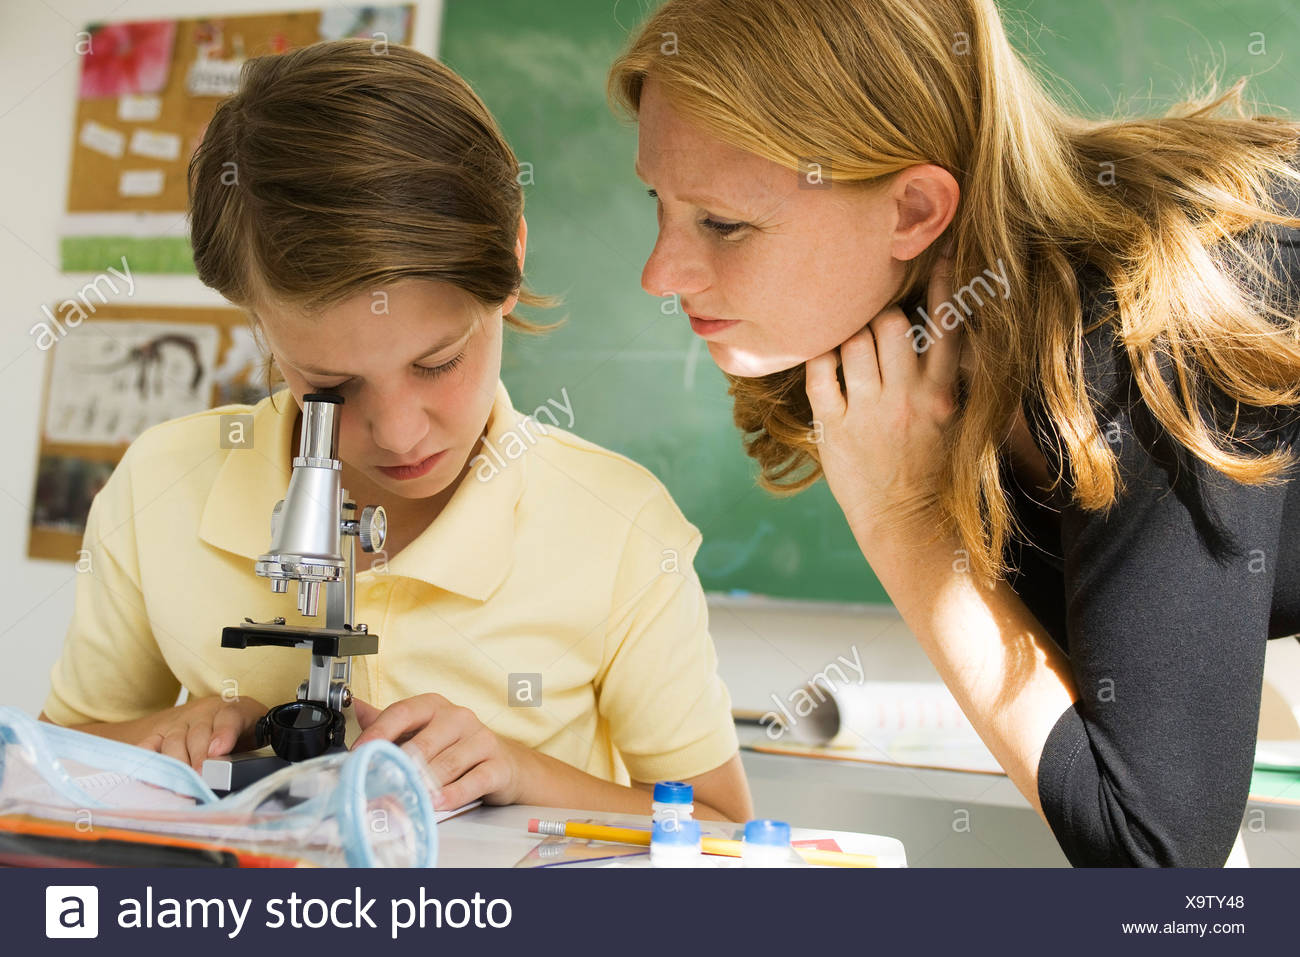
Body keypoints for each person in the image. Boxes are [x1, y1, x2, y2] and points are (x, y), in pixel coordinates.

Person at [610, 0, 1300, 864]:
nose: (658, 273)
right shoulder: (916, 360)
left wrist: (904, 522)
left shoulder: (1139, 325)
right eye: (658, 202)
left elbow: (1159, 856)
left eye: (723, 223)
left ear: (914, 210)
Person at [40, 39, 753, 822]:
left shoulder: (620, 529)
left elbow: (719, 824)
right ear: (260, 325)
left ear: (511, 263)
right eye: (330, 386)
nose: (399, 432)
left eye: (439, 361)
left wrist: (516, 770)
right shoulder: (160, 485)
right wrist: (161, 740)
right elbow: (52, 761)